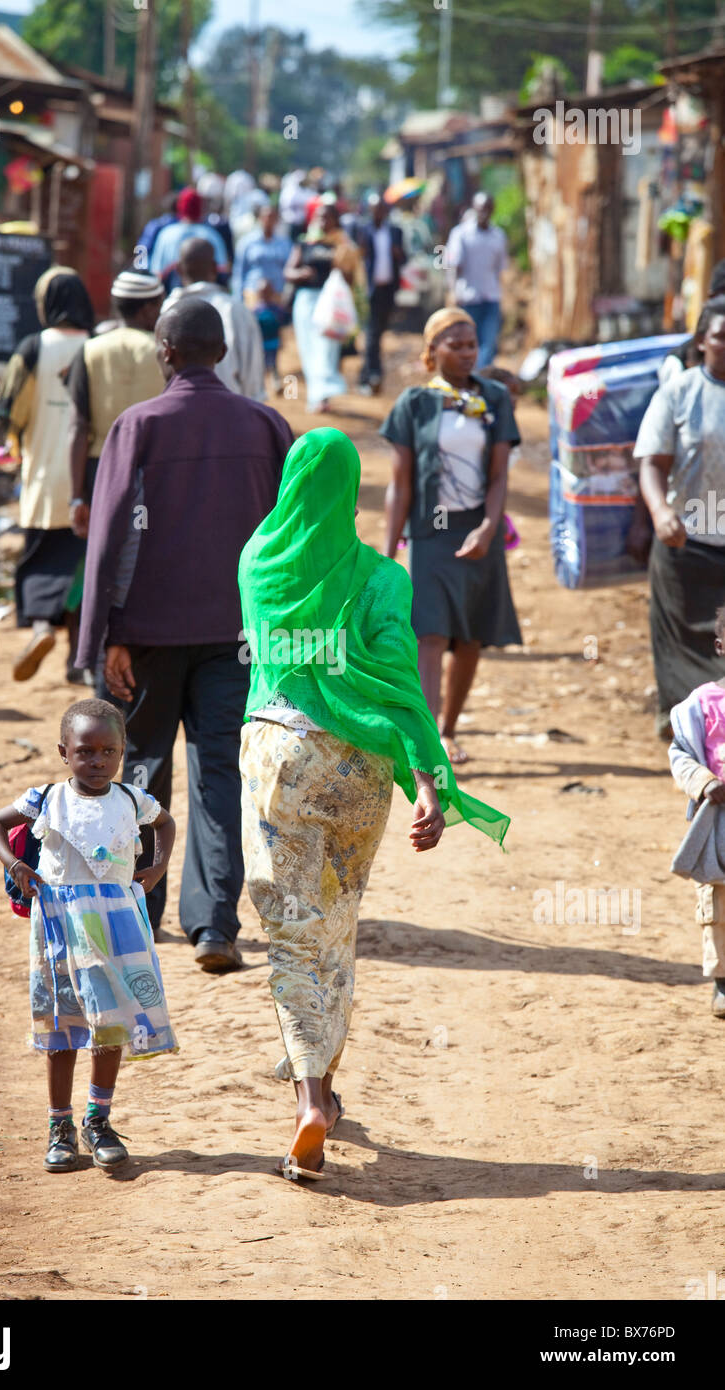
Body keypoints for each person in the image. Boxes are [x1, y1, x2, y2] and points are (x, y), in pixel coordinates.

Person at [238, 428, 510, 1182]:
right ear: (354, 489)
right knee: (337, 925)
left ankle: (311, 1098)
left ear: (292, 484)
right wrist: (427, 780)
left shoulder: (258, 562)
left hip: (277, 759)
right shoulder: (386, 581)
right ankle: (323, 1083)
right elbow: (398, 688)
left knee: (293, 935)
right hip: (359, 769)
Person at [76, 298, 293, 973]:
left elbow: (109, 535)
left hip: (144, 635)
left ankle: (137, 914)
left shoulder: (138, 425)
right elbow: (292, 537)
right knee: (221, 771)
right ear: (222, 352)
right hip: (240, 637)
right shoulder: (266, 426)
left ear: (163, 351)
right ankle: (213, 927)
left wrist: (99, 637)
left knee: (139, 770)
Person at [0, 698, 178, 1173]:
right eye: (86, 751)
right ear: (63, 752)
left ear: (123, 753)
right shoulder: (46, 798)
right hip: (60, 928)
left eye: (108, 752)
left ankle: (99, 1119)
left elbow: (166, 823)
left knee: (109, 1024)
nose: (98, 761)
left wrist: (156, 867)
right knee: (62, 1025)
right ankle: (60, 1127)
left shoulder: (133, 800)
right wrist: (15, 865)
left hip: (118, 927)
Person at [380, 307, 522, 764]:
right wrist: (388, 553)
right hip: (430, 534)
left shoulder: (495, 399)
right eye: (455, 346)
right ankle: (428, 743)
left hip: (478, 530)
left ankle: (450, 728)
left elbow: (499, 476)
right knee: (431, 634)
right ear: (432, 350)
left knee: (470, 637)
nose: (466, 354)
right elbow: (400, 484)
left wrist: (488, 527)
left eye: (471, 345)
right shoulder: (413, 405)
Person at [0, 267, 95, 683]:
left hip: (44, 475)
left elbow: (8, 408)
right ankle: (77, 658)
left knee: (39, 557)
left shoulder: (33, 347)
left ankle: (39, 628)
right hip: (88, 477)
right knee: (81, 567)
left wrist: (13, 437)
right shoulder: (97, 347)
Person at [636, 296, 725, 738]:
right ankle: (684, 733)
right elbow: (652, 463)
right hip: (684, 542)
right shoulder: (680, 391)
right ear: (704, 342)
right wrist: (659, 512)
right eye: (720, 337)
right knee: (679, 644)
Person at [67, 269, 166, 545]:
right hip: (154, 470)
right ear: (149, 308)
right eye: (160, 304)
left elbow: (78, 426)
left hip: (100, 471)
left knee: (107, 551)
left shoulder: (90, 350)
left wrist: (76, 497)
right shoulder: (165, 352)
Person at [668, 608, 725, 1018]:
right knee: (718, 908)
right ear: (721, 647)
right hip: (718, 824)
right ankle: (723, 983)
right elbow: (680, 756)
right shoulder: (701, 705)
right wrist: (704, 781)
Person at [163, 238, 266, 399]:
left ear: (178, 269)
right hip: (231, 413)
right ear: (214, 268)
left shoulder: (166, 310)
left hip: (176, 415)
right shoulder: (236, 309)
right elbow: (252, 375)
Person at [284, 199, 361, 414]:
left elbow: (353, 277)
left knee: (326, 348)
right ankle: (316, 396)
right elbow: (288, 271)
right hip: (306, 301)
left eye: (326, 216)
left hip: (330, 304)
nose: (322, 221)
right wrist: (301, 274)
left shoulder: (343, 245)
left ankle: (324, 394)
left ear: (335, 220)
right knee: (308, 348)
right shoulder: (304, 243)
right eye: (318, 216)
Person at [445, 192, 508, 368]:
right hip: (468, 299)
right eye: (480, 209)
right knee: (468, 344)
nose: (484, 213)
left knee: (488, 345)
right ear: (474, 209)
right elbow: (452, 265)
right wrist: (452, 291)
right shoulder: (461, 234)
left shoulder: (498, 236)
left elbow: (500, 268)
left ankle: (481, 382)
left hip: (491, 298)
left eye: (487, 209)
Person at [357, 194, 405, 395]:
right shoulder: (362, 231)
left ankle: (365, 375)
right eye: (374, 208)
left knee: (378, 332)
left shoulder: (395, 232)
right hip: (369, 290)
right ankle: (374, 374)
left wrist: (398, 254)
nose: (377, 212)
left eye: (380, 209)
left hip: (388, 289)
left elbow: (404, 257)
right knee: (372, 333)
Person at [148, 187, 230, 291]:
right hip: (207, 301)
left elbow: (157, 274)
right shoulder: (212, 235)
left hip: (173, 299)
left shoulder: (166, 235)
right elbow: (223, 273)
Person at [233, 203, 292, 304]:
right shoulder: (247, 242)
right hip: (252, 293)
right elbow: (239, 271)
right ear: (260, 218)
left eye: (272, 217)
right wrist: (238, 297)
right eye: (266, 217)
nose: (268, 220)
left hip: (277, 294)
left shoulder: (285, 244)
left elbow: (288, 269)